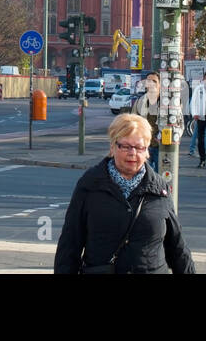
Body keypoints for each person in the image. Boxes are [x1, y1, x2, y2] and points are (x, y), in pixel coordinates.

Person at [54, 113, 195, 274]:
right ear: (112, 147)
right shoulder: (90, 184)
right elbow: (69, 244)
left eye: (139, 147)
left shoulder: (159, 188)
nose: (132, 153)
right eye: (126, 146)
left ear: (147, 150)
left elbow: (177, 247)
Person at [131, 73, 162, 171]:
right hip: (144, 146)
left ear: (160, 84)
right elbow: (133, 122)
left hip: (161, 146)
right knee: (143, 176)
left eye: (154, 81)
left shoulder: (166, 102)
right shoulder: (140, 101)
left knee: (160, 178)